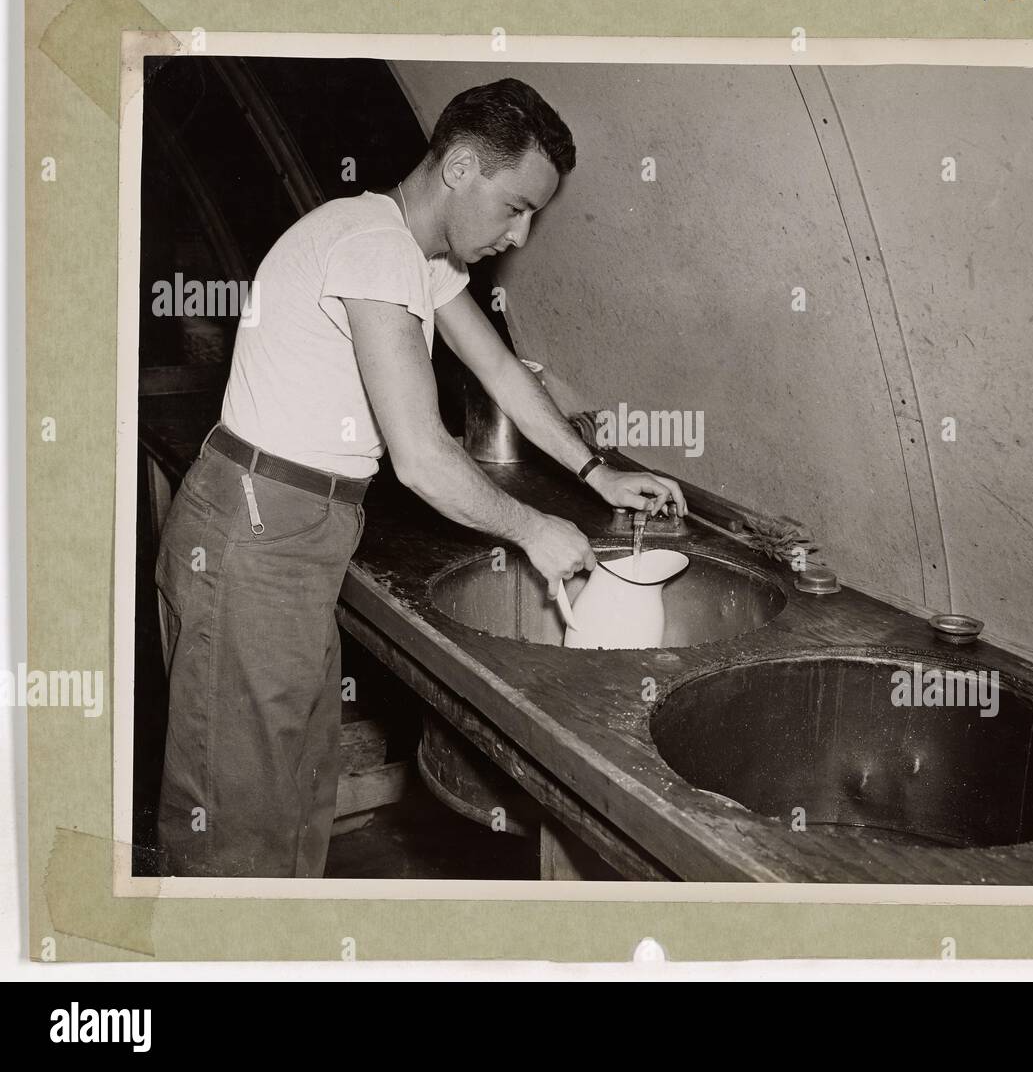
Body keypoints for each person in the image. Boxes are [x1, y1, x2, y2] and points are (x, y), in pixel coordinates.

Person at [154, 76, 686, 878]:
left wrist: (595, 472)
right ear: (462, 167)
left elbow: (504, 376)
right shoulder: (374, 248)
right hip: (255, 537)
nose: (521, 235)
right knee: (236, 825)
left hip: (299, 533)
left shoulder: (412, 255)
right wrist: (535, 528)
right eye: (515, 207)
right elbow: (423, 456)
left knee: (295, 797)